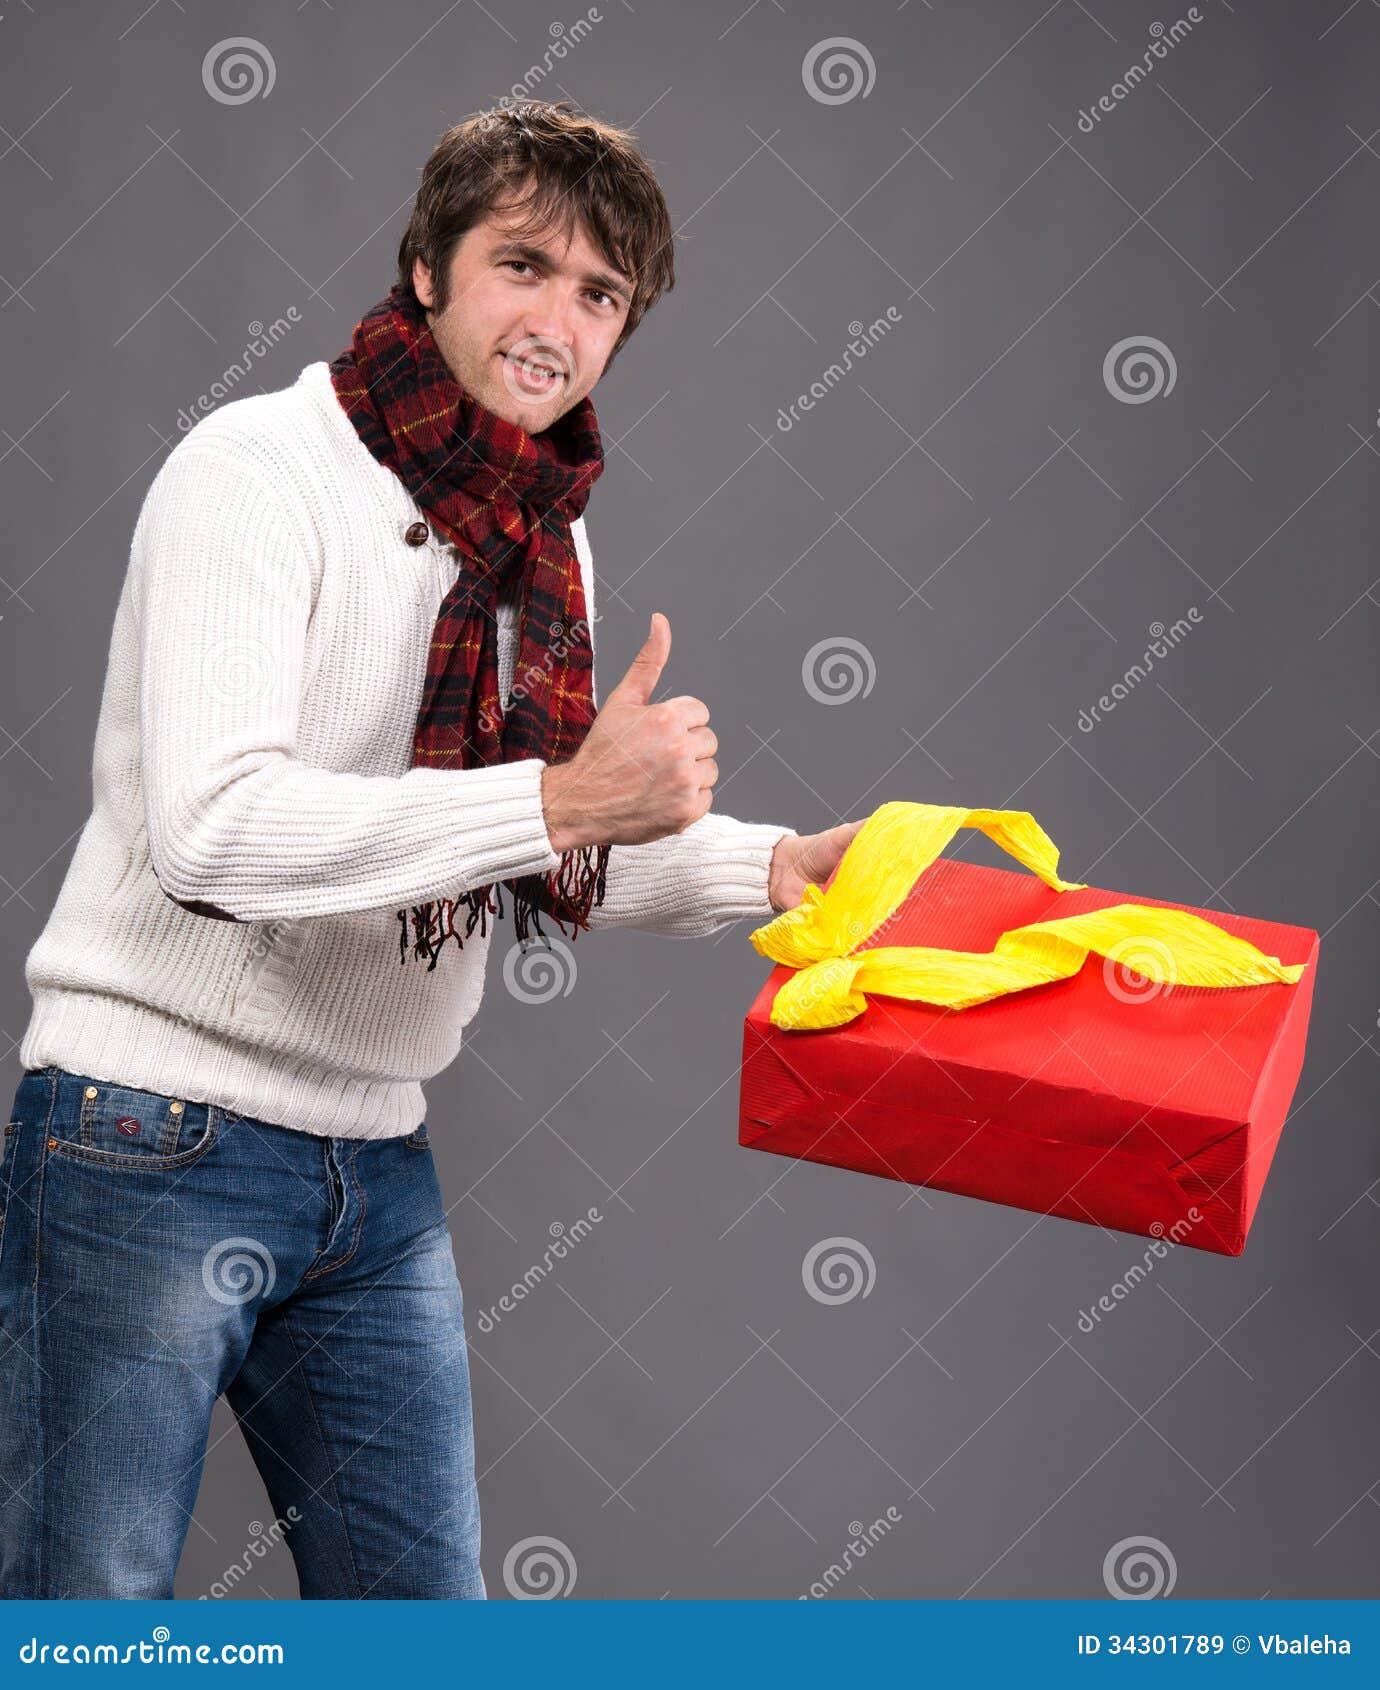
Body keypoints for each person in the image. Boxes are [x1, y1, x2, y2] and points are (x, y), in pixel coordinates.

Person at [0, 100, 863, 1600]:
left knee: (427, 1631)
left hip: (372, 1158)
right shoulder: (256, 470)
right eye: (522, 265)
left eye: (600, 294)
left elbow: (523, 847)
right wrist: (561, 803)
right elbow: (215, 829)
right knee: (90, 1619)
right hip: (145, 1134)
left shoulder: (539, 530)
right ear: (424, 268)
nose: (559, 320)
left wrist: (775, 868)